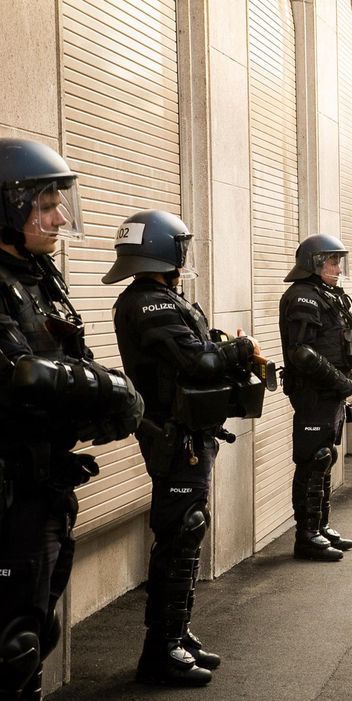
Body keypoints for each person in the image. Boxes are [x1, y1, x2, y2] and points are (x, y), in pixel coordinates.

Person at [0, 139, 144, 698]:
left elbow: (66, 367)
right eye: (45, 205)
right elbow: (25, 378)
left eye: (62, 202)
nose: (61, 216)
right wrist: (102, 388)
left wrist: (111, 399)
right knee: (12, 643)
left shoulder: (39, 274)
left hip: (46, 483)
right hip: (9, 490)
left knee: (38, 627)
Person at [106, 210, 268, 685]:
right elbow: (197, 362)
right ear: (164, 250)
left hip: (189, 433)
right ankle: (161, 650)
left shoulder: (162, 297)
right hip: (173, 436)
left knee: (187, 534)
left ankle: (177, 631)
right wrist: (239, 350)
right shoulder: (148, 304)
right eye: (180, 246)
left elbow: (197, 350)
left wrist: (223, 349)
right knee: (180, 534)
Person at [279, 234, 352, 558]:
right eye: (332, 261)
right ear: (314, 263)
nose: (338, 268)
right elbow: (302, 353)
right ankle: (306, 535)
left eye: (339, 261)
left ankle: (321, 526)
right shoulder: (303, 297)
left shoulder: (325, 295)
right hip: (313, 391)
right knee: (313, 460)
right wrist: (340, 381)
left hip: (329, 391)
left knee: (325, 457)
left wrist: (342, 380)